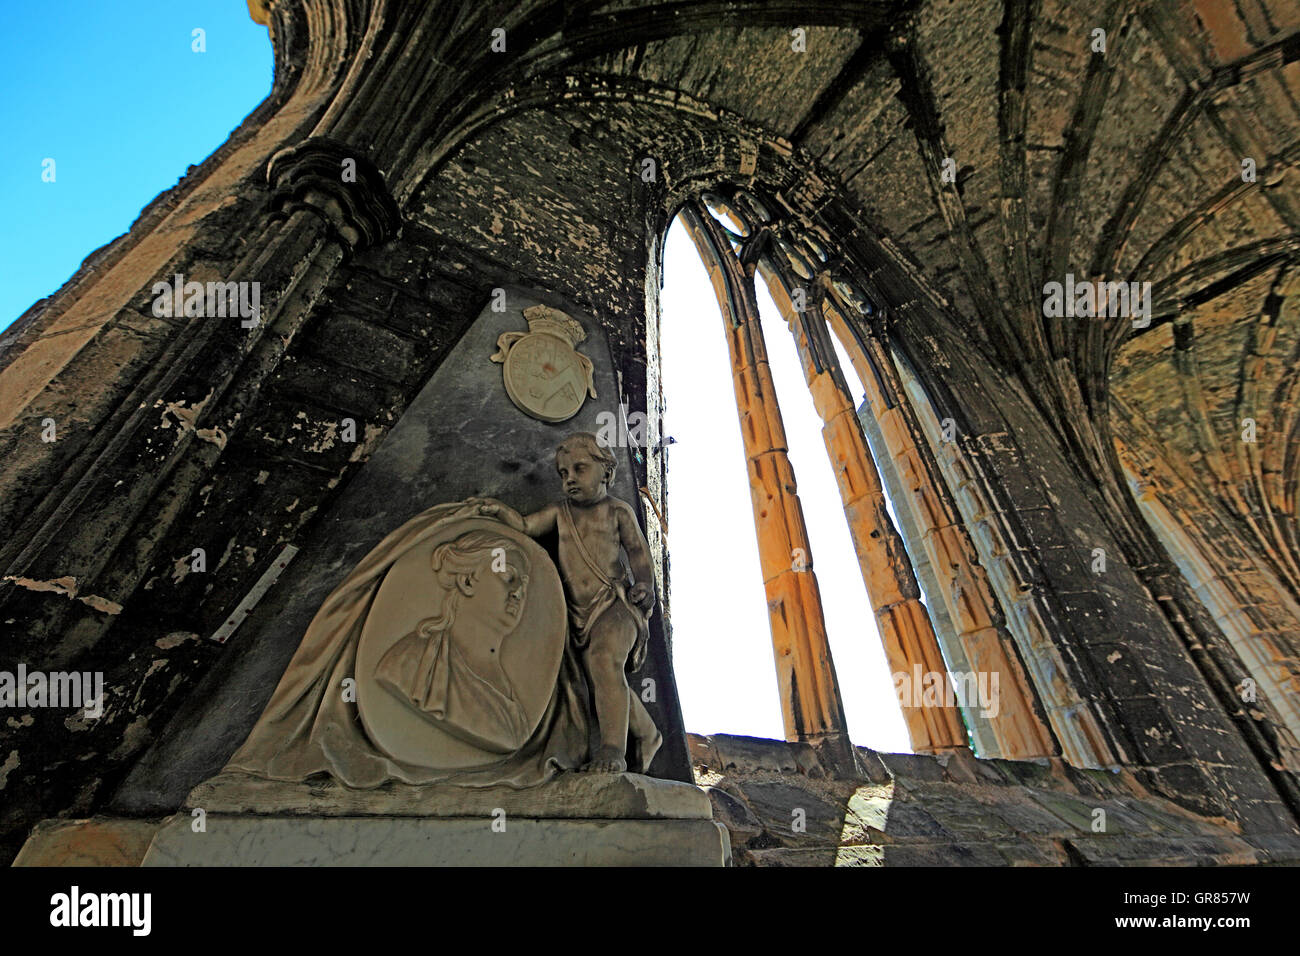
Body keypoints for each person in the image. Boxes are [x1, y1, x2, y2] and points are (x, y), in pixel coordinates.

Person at [484, 433, 661, 773]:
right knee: (603, 676)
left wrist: (645, 586)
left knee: (604, 661)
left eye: (580, 469)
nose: (570, 480)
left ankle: (612, 749)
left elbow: (638, 552)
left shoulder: (617, 512)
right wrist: (499, 512)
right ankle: (649, 733)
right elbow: (525, 526)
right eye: (564, 474)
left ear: (606, 471)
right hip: (577, 615)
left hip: (614, 604)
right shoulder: (559, 513)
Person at [374, 531, 533, 754]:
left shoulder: (512, 698)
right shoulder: (407, 664)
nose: (519, 593)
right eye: (508, 577)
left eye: (524, 586)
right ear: (467, 581)